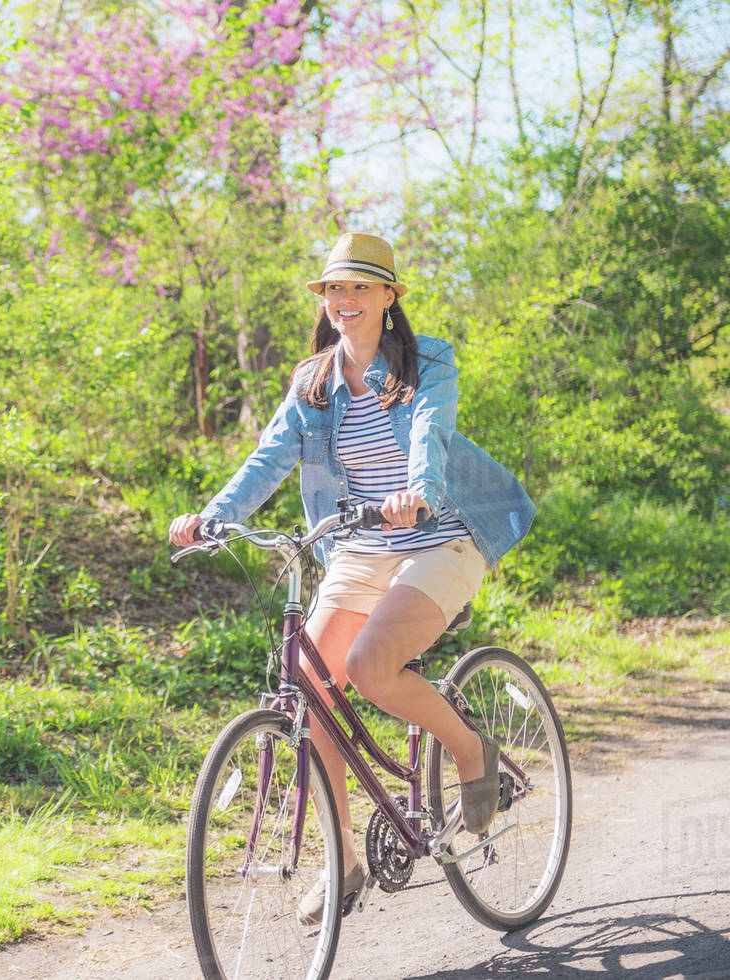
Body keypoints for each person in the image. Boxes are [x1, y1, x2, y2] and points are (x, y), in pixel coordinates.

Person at [168, 232, 535, 923]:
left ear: (390, 296)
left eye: (360, 287)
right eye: (335, 288)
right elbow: (266, 459)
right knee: (310, 688)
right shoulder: (313, 382)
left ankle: (471, 751)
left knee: (370, 665)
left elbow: (431, 430)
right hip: (359, 549)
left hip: (439, 537)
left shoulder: (428, 361)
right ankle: (342, 858)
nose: (344, 300)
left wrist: (415, 492)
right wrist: (211, 519)